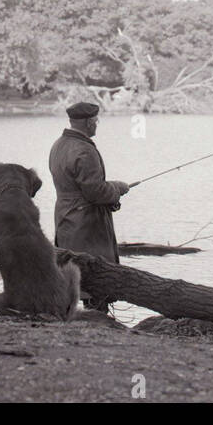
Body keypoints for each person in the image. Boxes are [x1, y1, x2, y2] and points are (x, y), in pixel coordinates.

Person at [48, 101, 129, 312]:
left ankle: (70, 316)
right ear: (87, 122)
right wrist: (117, 188)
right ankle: (98, 319)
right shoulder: (84, 150)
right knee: (96, 276)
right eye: (95, 120)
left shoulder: (58, 145)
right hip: (87, 224)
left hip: (65, 219)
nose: (97, 124)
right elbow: (95, 192)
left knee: (72, 272)